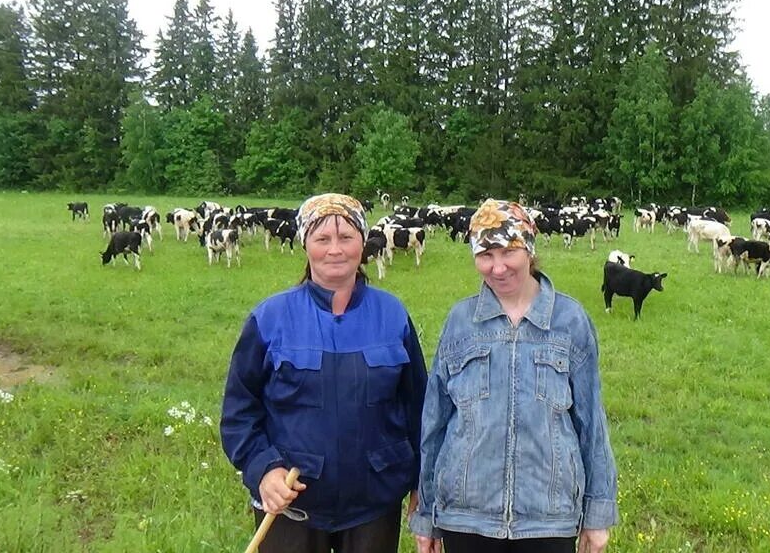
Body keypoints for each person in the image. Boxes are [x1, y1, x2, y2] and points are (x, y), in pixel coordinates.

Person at [221, 193, 427, 553]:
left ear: (363, 242)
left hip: (374, 504)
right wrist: (263, 470)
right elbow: (239, 413)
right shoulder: (270, 318)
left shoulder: (393, 315)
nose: (335, 250)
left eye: (346, 237)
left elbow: (419, 410)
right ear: (305, 244)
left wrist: (422, 484)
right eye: (322, 239)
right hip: (292, 504)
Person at [409, 200, 618, 553]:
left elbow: (592, 423)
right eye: (485, 254)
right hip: (466, 515)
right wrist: (427, 514)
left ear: (530, 249)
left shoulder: (570, 320)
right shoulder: (460, 321)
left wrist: (598, 513)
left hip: (548, 517)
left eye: (509, 252)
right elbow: (434, 424)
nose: (498, 267)